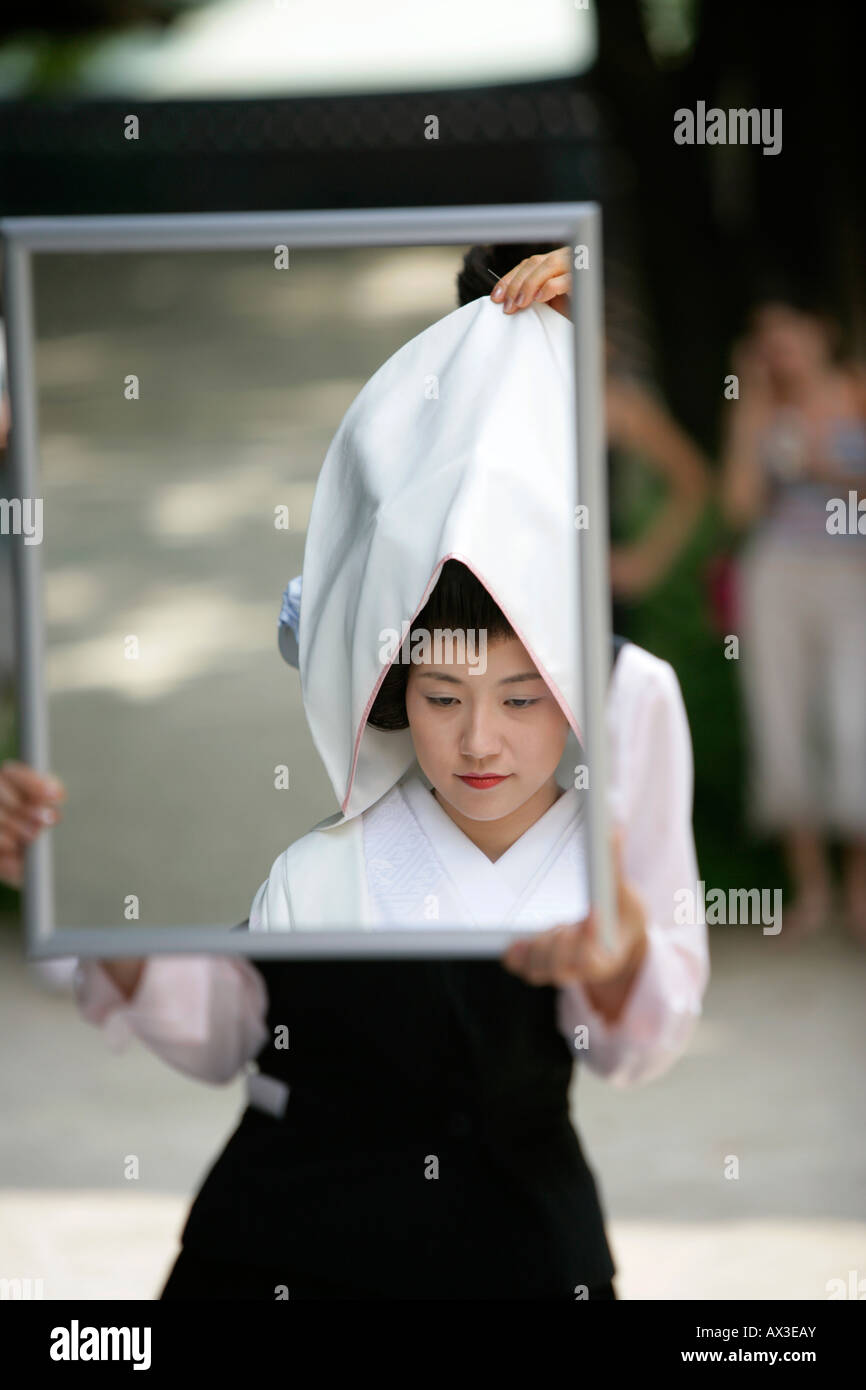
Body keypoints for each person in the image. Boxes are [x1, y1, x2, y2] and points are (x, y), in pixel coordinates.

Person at [1, 292, 708, 1300]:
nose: (477, 739)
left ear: (574, 692)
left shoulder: (589, 862)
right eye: (439, 695)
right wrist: (76, 886)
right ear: (388, 694)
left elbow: (641, 1037)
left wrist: (621, 950)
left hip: (514, 1246)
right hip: (283, 1242)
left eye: (519, 696)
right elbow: (227, 1035)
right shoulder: (318, 868)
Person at [455, 242, 711, 616]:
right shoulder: (475, 400)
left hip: (594, 603)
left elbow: (692, 479)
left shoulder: (609, 400)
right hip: (501, 602)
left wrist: (643, 563)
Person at [720, 296, 866, 943]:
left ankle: (861, 895)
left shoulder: (857, 391)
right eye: (768, 340)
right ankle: (814, 894)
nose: (781, 350)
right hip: (776, 575)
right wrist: (749, 402)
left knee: (854, 723)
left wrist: (824, 467)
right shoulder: (761, 407)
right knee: (781, 720)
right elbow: (737, 509)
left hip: (853, 575)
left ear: (822, 332)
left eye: (790, 335)